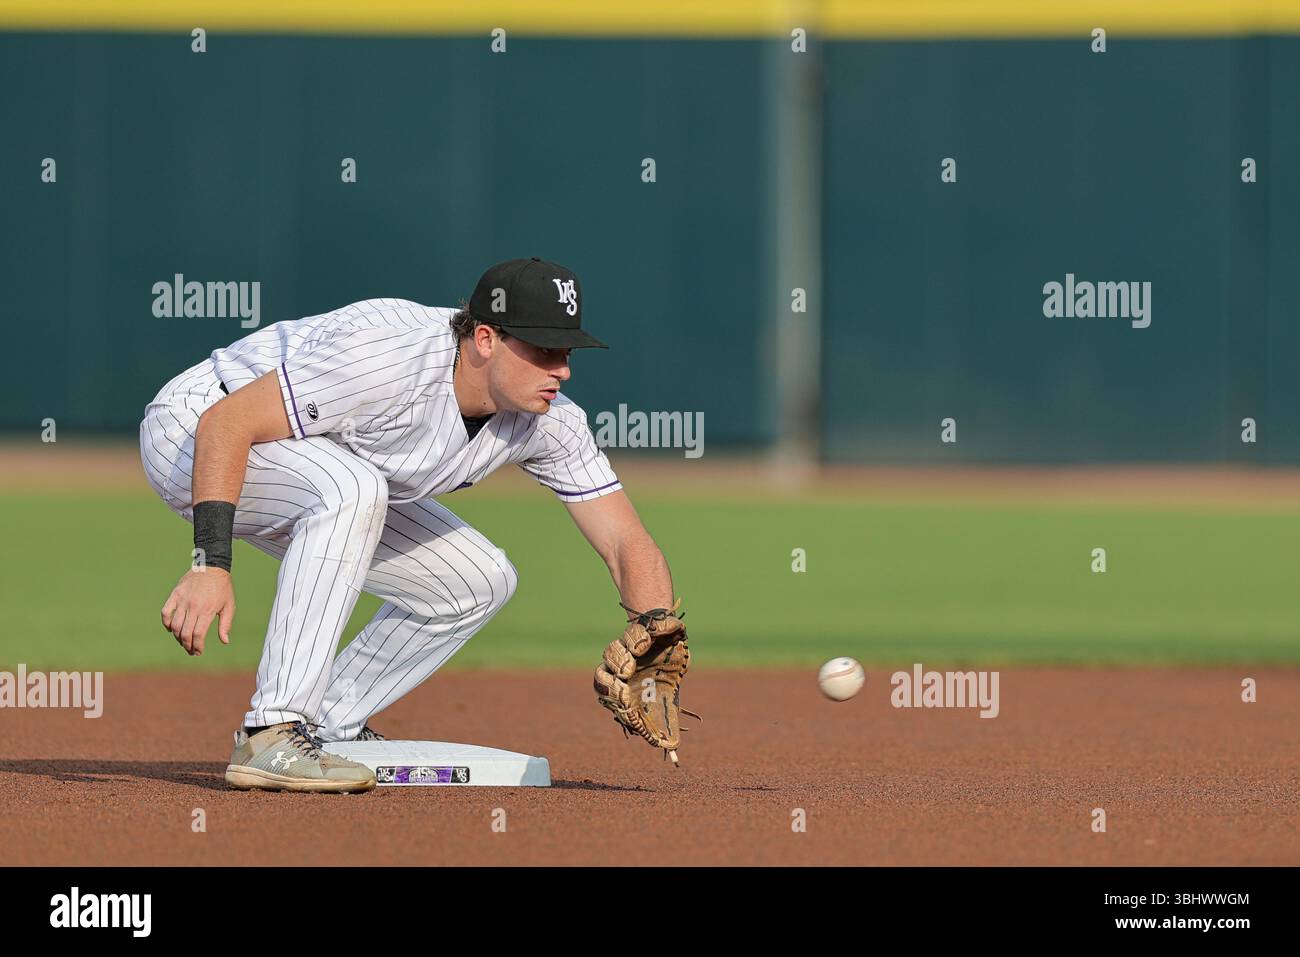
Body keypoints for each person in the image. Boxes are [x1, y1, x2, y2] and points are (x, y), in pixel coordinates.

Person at [139, 258, 679, 792]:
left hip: (308, 455)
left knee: (476, 581)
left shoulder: (550, 421)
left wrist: (655, 626)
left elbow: (623, 539)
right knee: (353, 490)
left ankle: (327, 725)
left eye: (566, 351)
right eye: (543, 350)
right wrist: (210, 564)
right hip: (196, 430)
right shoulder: (387, 355)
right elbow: (228, 422)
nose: (561, 369)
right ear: (485, 339)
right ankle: (271, 732)